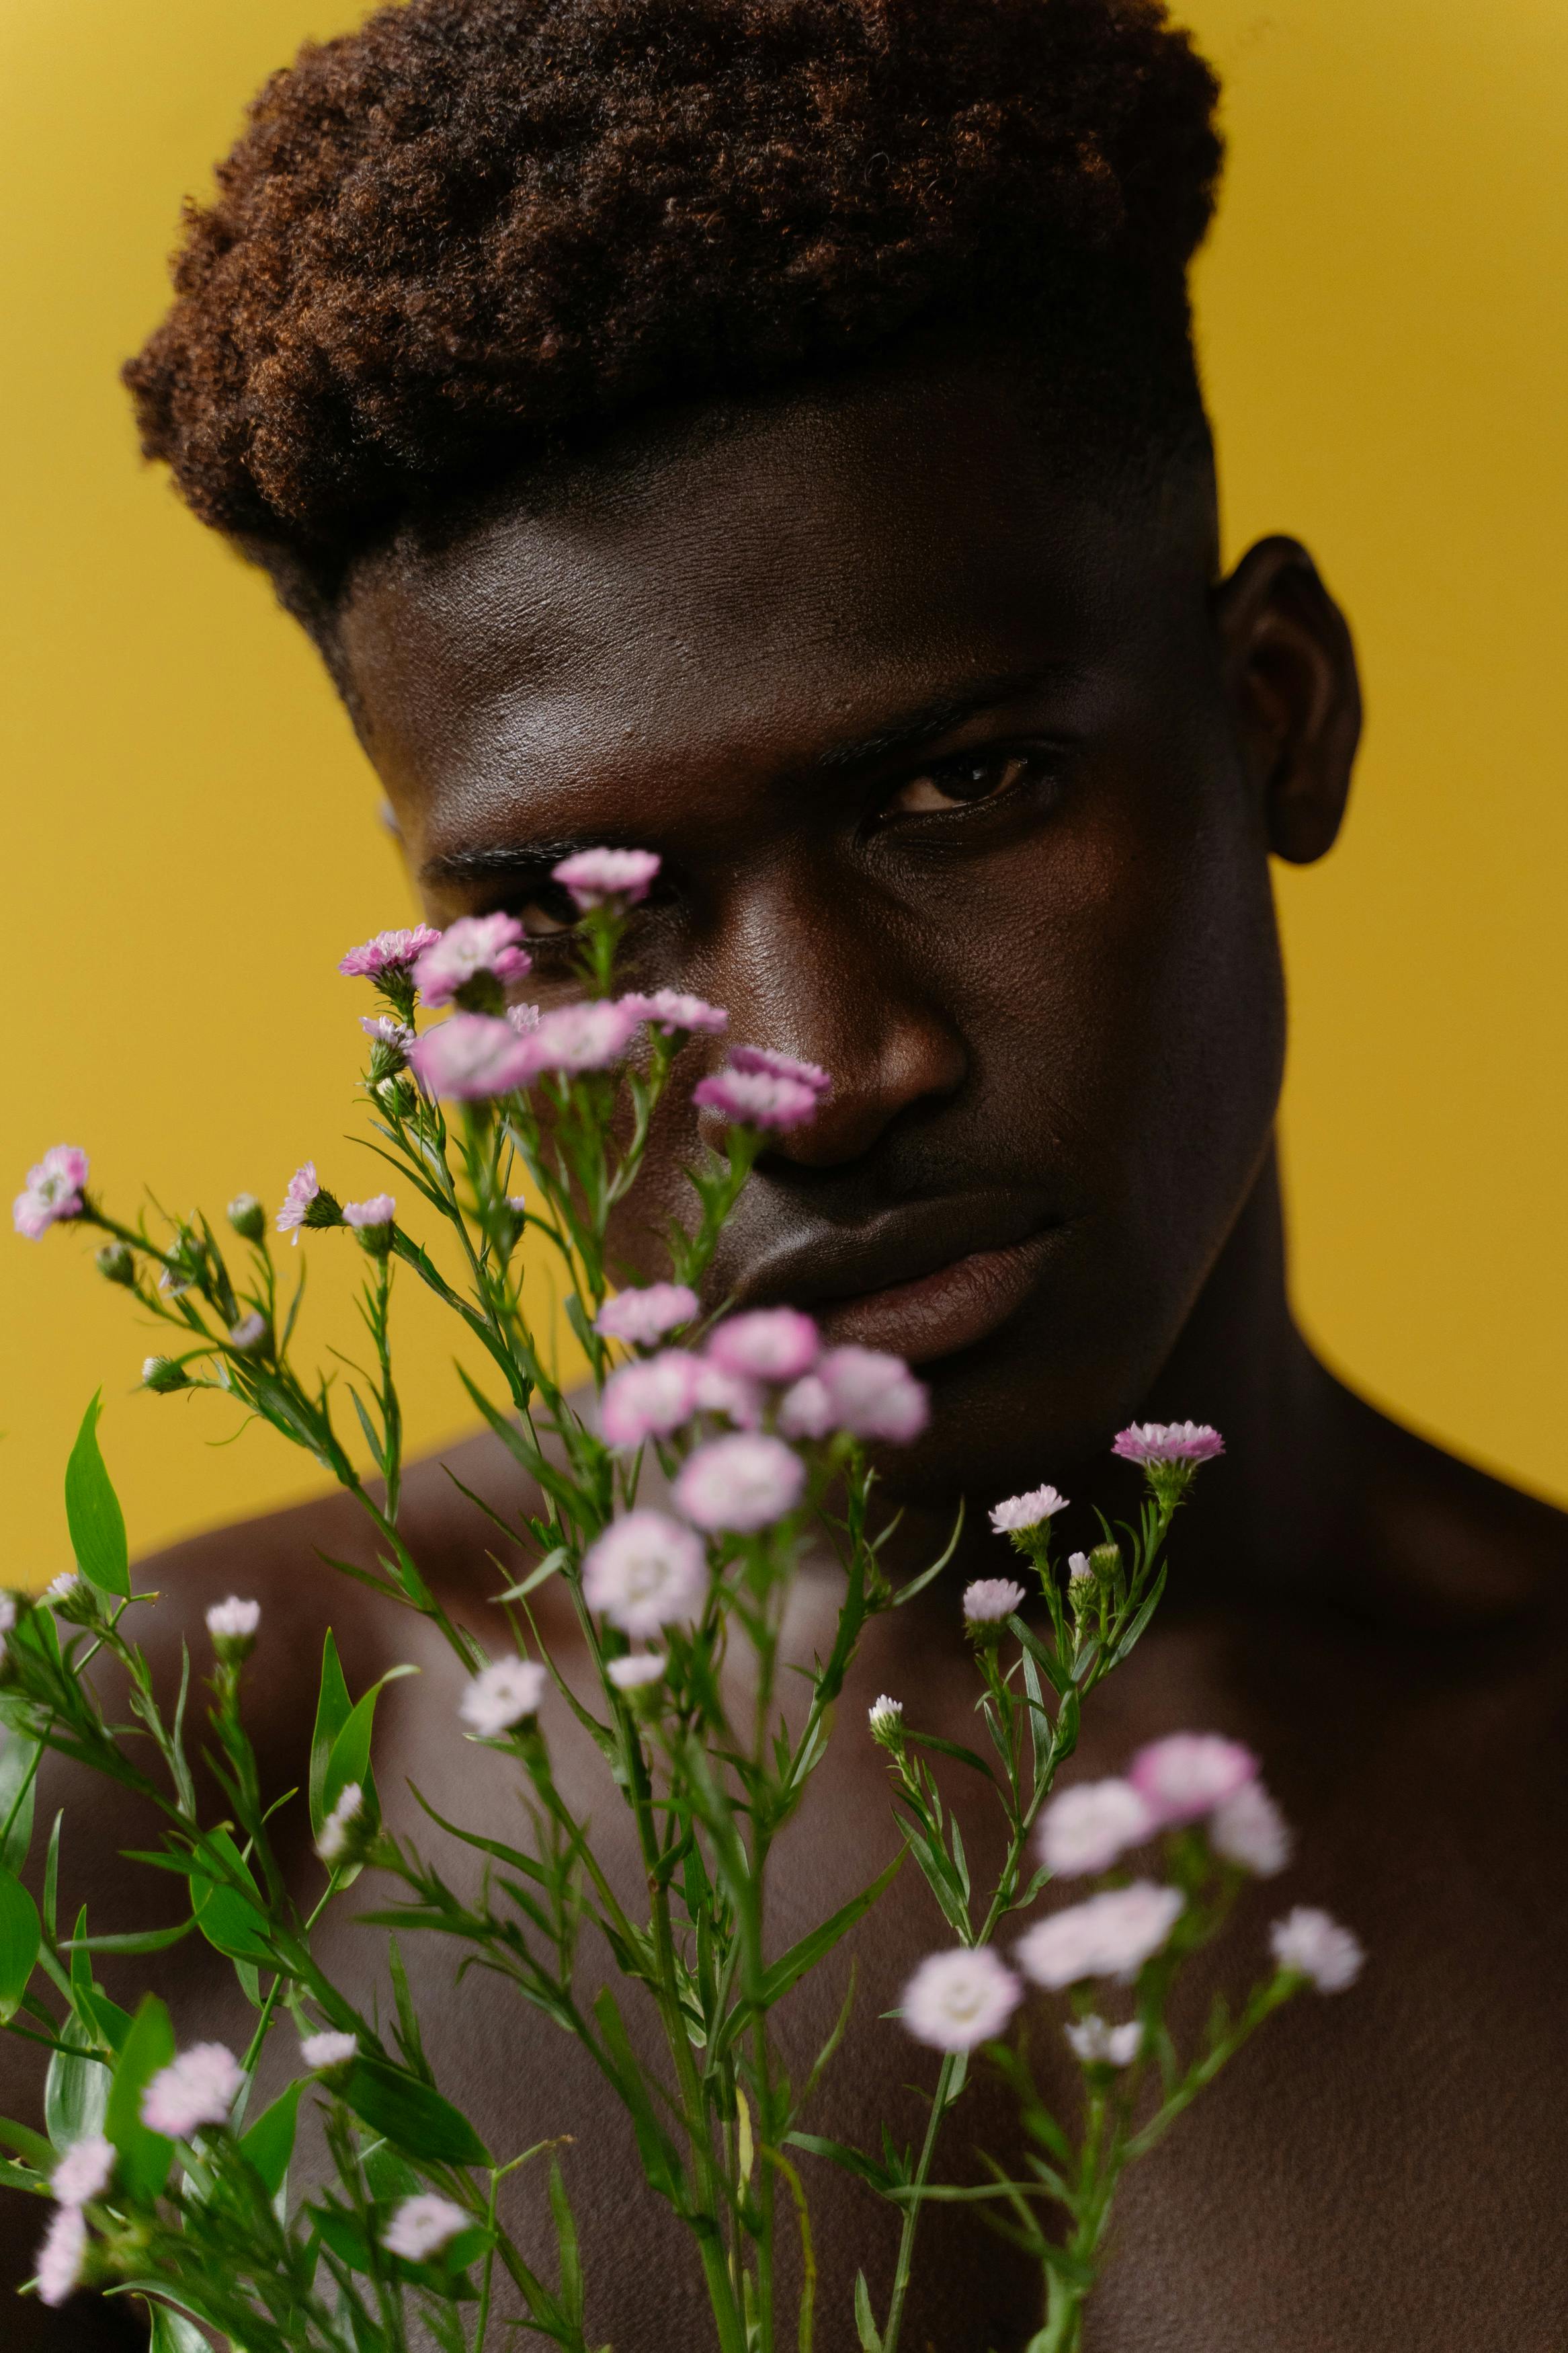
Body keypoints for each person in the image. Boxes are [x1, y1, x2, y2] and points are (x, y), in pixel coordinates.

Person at [8, 0, 1568, 2342]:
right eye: (580, 908)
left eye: (961, 790)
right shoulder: (162, 1798)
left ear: (1275, 720)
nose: (822, 1069)